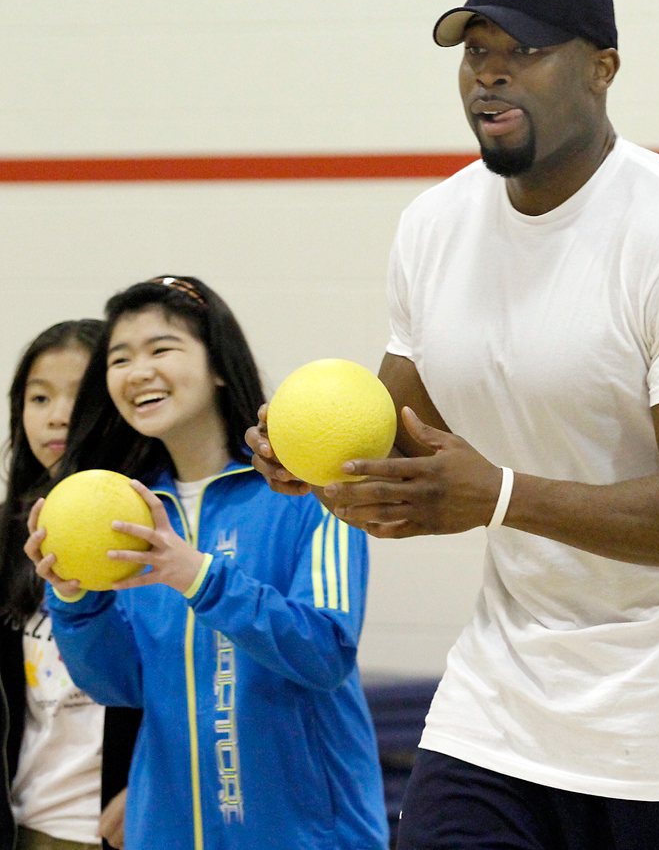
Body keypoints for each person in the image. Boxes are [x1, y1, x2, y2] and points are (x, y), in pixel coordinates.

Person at [246, 0, 659, 850]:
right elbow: (402, 440)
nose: (490, 70)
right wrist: (313, 464)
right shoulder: (433, 226)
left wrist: (500, 495)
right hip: (502, 708)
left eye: (525, 49)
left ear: (602, 67)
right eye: (475, 50)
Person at [24, 277, 388, 850]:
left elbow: (325, 652)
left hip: (310, 836)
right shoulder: (133, 509)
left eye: (161, 349)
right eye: (120, 358)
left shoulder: (309, 492)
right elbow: (121, 685)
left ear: (218, 365)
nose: (137, 371)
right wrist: (75, 599)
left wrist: (198, 576)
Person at [0, 319, 139, 850]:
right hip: (29, 824)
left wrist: (153, 782)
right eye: (38, 397)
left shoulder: (157, 529)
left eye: (79, 397)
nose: (57, 416)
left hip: (125, 826)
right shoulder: (7, 539)